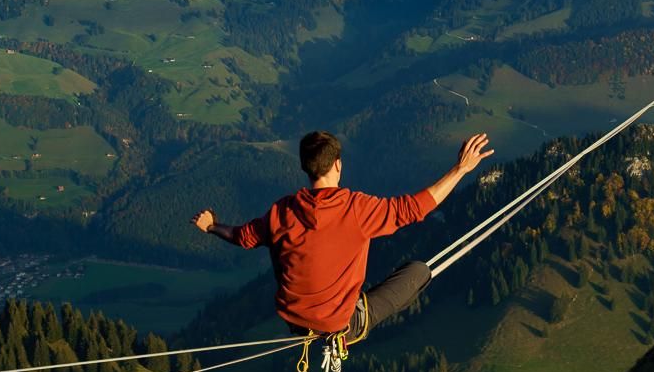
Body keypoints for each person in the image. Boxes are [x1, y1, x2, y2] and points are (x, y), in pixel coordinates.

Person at [192, 130, 493, 342]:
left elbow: (243, 236)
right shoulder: (356, 209)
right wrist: (460, 169)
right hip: (342, 326)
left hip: (295, 323)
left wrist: (211, 226)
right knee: (418, 271)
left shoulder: (281, 212)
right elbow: (414, 208)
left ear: (305, 168)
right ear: (338, 164)